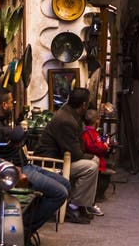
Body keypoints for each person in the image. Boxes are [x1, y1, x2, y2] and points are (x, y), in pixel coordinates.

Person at [0, 87, 70, 246]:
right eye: (11, 102)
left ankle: (24, 219)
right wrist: (13, 170)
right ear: (4, 105)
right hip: (17, 171)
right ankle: (25, 227)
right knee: (60, 193)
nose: (13, 105)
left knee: (65, 184)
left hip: (26, 165)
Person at [34, 87, 100, 224]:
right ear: (83, 105)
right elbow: (75, 153)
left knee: (94, 161)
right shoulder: (66, 120)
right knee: (91, 167)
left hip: (62, 157)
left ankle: (83, 204)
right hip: (50, 161)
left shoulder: (71, 114)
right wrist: (87, 155)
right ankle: (73, 206)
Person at [81, 109, 113, 212]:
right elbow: (94, 147)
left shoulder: (91, 132)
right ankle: (90, 204)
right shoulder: (89, 133)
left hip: (97, 161)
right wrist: (105, 146)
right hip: (94, 162)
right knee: (93, 185)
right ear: (97, 120)